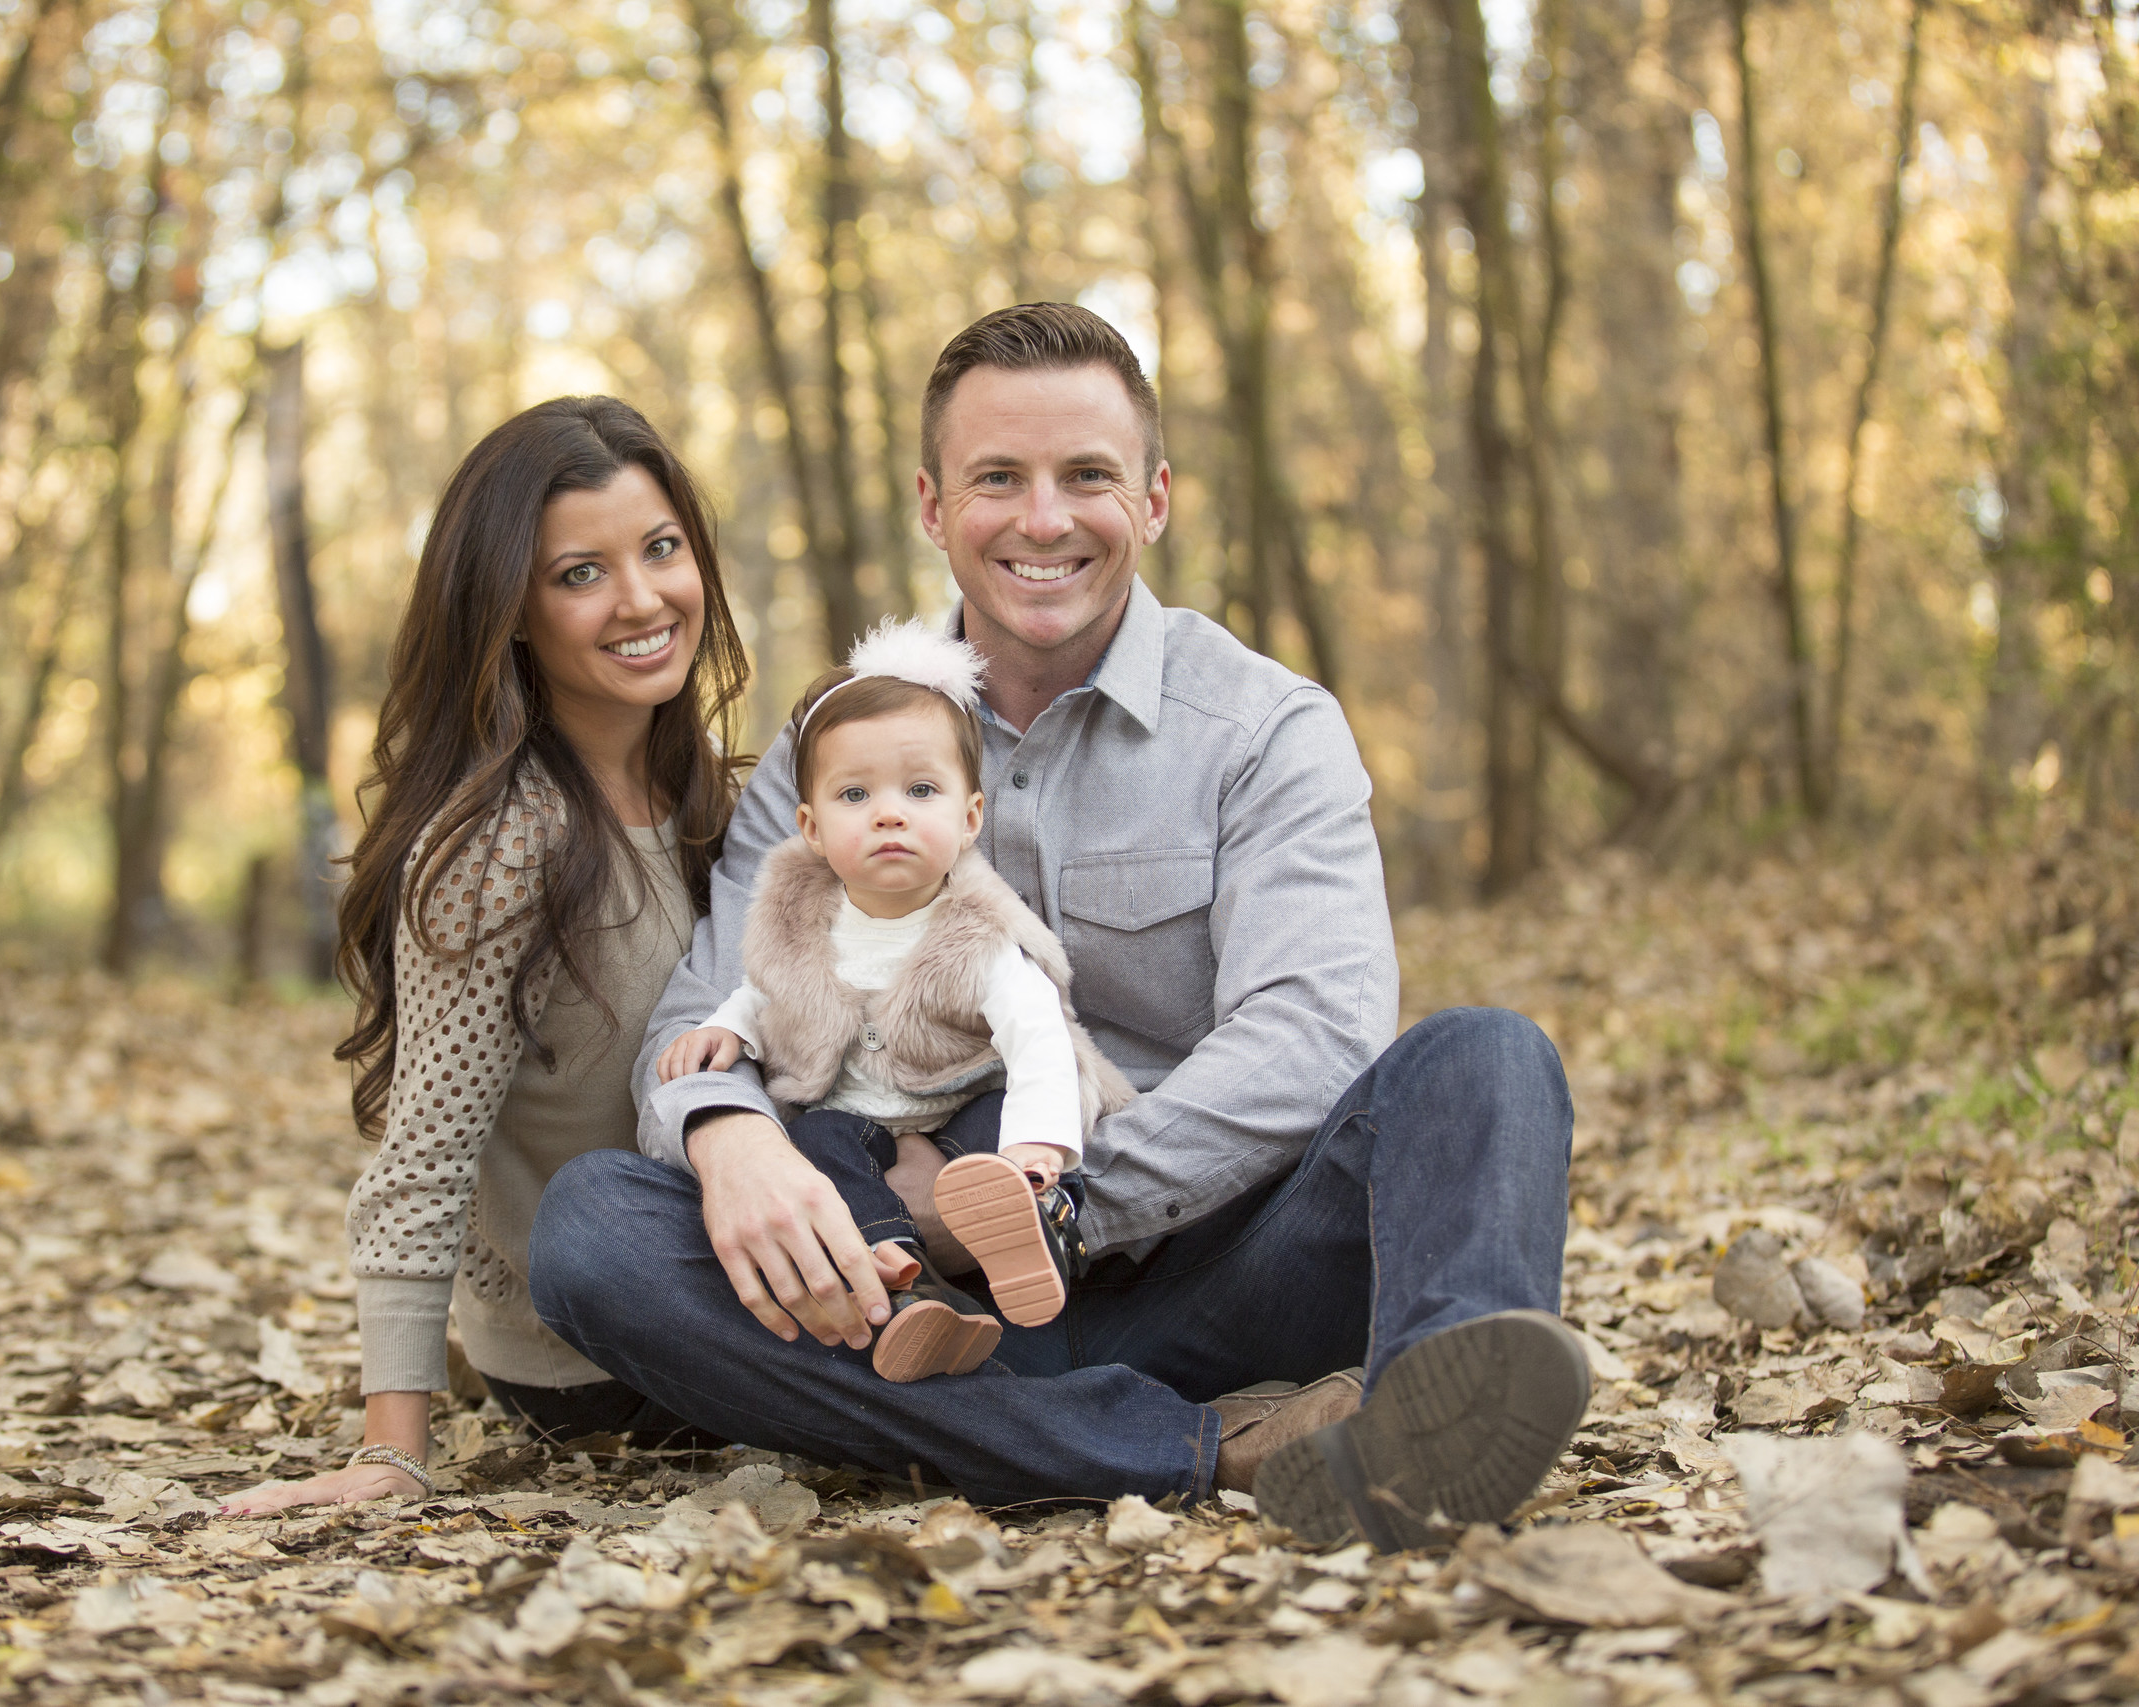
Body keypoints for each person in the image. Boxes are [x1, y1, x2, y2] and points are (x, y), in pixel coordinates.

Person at [529, 304, 1587, 1547]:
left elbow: (1313, 1035)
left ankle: (1440, 1414)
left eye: (1086, 476)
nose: (1043, 520)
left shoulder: (1262, 727)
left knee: (1487, 1058)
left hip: (1218, 1273)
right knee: (594, 1227)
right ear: (933, 507)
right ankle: (1213, 1448)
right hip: (898, 1309)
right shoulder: (836, 748)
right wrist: (727, 1137)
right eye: (997, 479)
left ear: (1152, 500)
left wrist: (1057, 1205)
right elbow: (697, 1022)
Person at [220, 396, 750, 1516]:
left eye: (661, 549)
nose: (642, 598)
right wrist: (391, 1449)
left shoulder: (709, 788)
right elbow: (420, 1156)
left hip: (749, 1251)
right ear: (508, 607)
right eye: (579, 574)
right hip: (603, 1338)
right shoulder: (507, 843)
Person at [654, 619, 1132, 1382]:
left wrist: (1039, 1143)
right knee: (817, 1146)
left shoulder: (977, 935)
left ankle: (1030, 1228)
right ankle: (903, 1289)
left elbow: (1039, 1036)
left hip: (960, 1104)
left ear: (970, 816)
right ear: (809, 827)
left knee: (998, 1125)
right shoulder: (798, 918)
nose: (889, 812)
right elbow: (767, 987)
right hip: (860, 1118)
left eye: (920, 790)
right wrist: (724, 1029)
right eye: (855, 794)